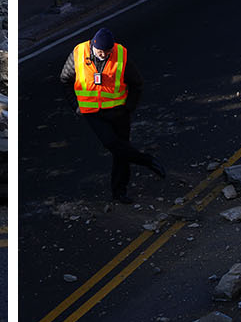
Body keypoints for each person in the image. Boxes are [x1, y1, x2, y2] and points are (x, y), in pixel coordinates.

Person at [60, 26, 165, 204]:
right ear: (93, 45)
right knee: (111, 143)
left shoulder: (120, 55)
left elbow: (137, 83)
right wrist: (75, 105)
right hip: (92, 112)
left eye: (107, 51)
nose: (104, 54)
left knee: (121, 152)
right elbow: (65, 80)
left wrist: (128, 108)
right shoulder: (78, 53)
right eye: (101, 51)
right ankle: (146, 160)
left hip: (118, 112)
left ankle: (119, 192)